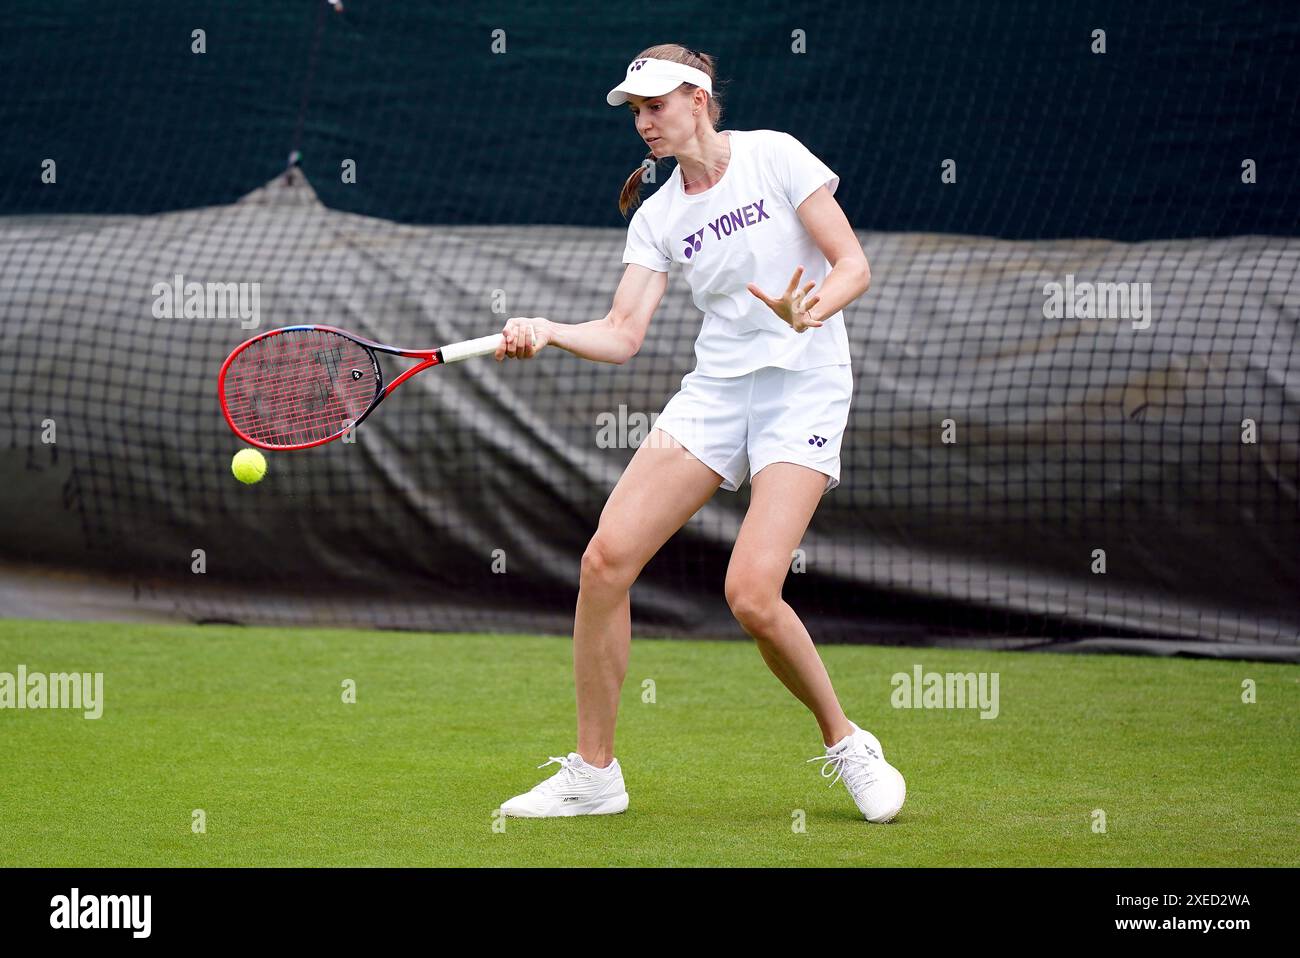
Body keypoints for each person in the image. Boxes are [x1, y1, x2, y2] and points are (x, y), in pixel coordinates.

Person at [492, 44, 905, 823]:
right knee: (605, 560)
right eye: (636, 111)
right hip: (716, 394)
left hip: (803, 387)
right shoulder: (659, 215)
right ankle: (594, 773)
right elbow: (622, 333)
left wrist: (814, 307)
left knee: (750, 593)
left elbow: (853, 263)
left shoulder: (776, 156)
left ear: (699, 99)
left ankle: (847, 741)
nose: (644, 122)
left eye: (656, 105)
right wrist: (547, 328)